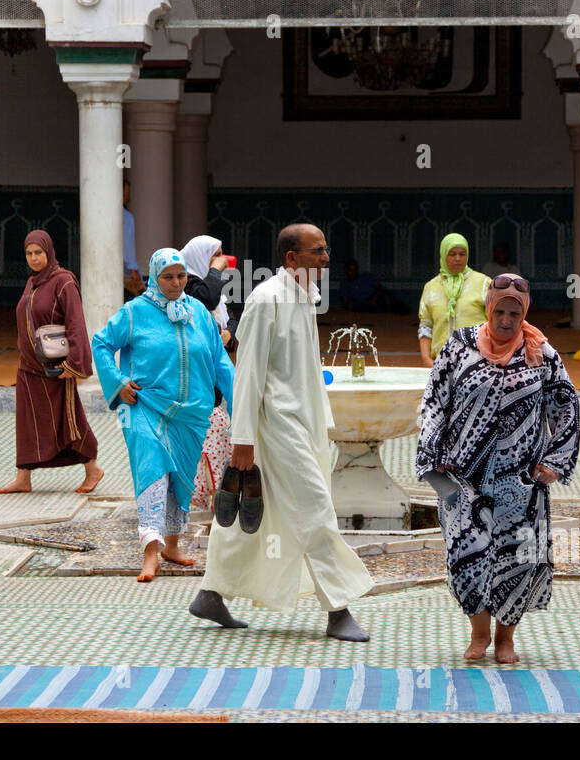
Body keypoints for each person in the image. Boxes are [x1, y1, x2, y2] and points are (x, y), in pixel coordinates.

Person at [191, 223, 375, 642]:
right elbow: (248, 374)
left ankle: (211, 591)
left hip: (301, 425)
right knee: (316, 510)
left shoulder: (304, 297)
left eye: (326, 249)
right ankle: (338, 609)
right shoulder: (266, 300)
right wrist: (243, 443)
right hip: (274, 428)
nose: (326, 258)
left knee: (260, 514)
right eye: (317, 251)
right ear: (292, 258)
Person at [416, 273, 580, 663]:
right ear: (489, 308)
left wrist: (554, 461)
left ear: (524, 313)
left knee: (518, 559)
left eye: (514, 313)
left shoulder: (542, 352)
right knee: (466, 554)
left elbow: (566, 406)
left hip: (521, 480)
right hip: (462, 476)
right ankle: (479, 634)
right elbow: (434, 401)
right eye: (500, 311)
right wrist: (432, 457)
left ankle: (506, 639)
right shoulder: (459, 346)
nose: (506, 320)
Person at [93, 248, 235, 582]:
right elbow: (101, 343)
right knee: (153, 473)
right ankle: (150, 553)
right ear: (155, 277)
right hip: (146, 406)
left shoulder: (199, 312)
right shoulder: (135, 312)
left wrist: (239, 402)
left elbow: (220, 362)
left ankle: (172, 545)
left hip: (192, 412)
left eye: (181, 276)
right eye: (167, 277)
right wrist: (118, 383)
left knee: (181, 478)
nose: (175, 283)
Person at [0, 230, 104, 496]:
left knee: (68, 417)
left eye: (38, 253)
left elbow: (76, 322)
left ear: (49, 252)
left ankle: (92, 468)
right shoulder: (33, 282)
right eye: (29, 254)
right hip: (30, 367)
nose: (33, 258)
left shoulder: (63, 281)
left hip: (56, 368)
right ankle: (23, 477)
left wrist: (75, 363)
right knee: (27, 421)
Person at [180, 234, 238, 511]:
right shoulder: (186, 281)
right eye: (216, 253)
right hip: (194, 374)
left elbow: (227, 317)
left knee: (218, 431)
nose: (222, 258)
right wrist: (215, 270)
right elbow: (206, 299)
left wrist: (227, 333)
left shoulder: (202, 281)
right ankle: (202, 495)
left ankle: (214, 494)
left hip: (215, 368)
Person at [418, 232, 492, 367]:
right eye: (452, 254)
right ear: (443, 255)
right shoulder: (431, 287)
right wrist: (427, 359)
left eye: (462, 254)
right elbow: (426, 326)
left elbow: (495, 323)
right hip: (440, 362)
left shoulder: (484, 283)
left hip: (477, 362)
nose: (457, 258)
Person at [339, 258, 408, 314]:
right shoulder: (344, 283)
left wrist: (374, 299)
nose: (352, 273)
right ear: (346, 270)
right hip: (363, 304)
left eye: (355, 270)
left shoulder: (366, 277)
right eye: (350, 270)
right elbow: (344, 301)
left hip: (377, 298)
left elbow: (380, 288)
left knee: (389, 298)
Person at [123, 179, 145, 300]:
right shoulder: (126, 217)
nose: (128, 198)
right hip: (126, 275)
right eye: (126, 194)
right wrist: (133, 269)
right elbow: (128, 246)